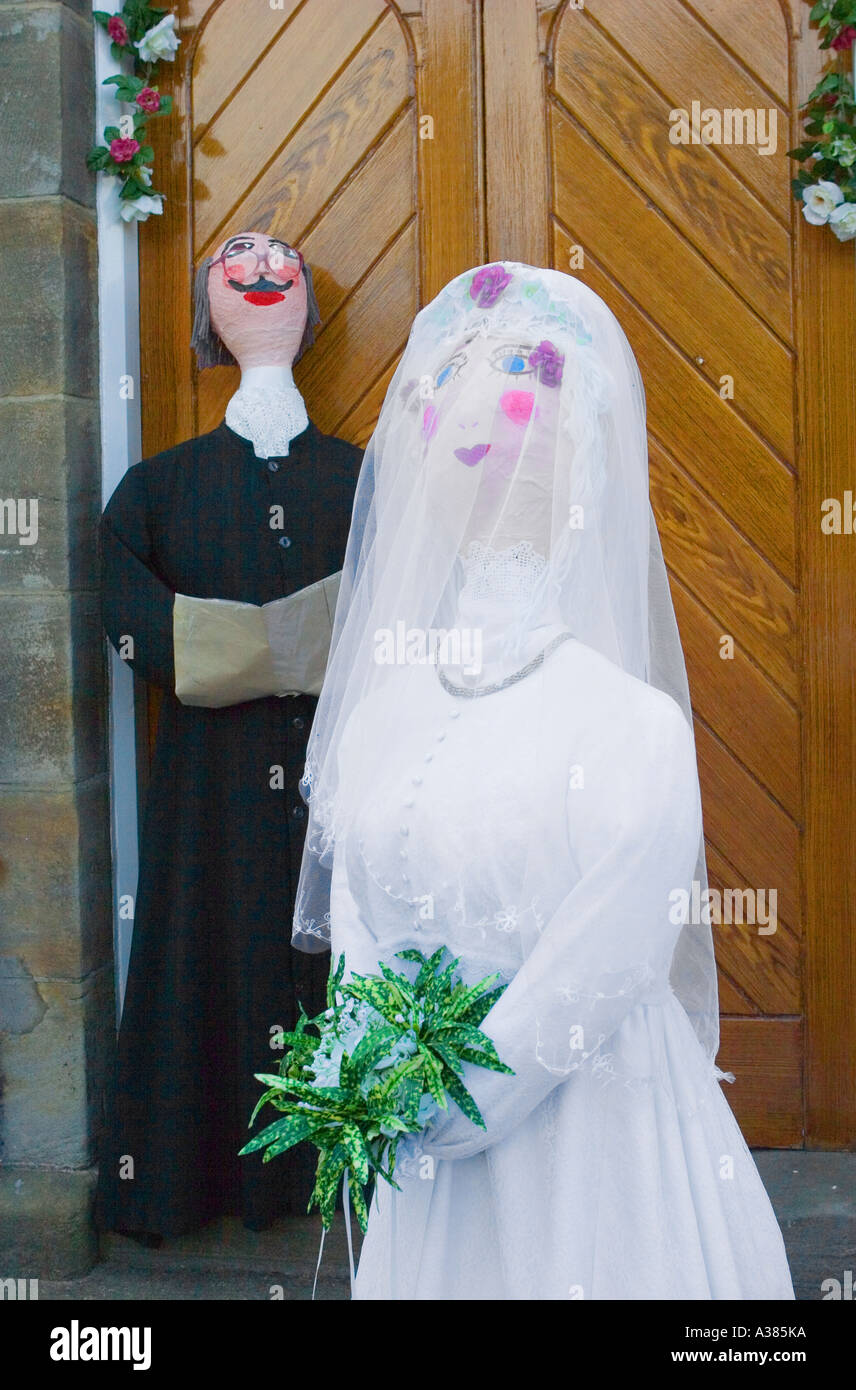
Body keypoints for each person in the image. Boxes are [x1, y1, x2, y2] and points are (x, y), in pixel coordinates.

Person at [291, 262, 795, 1299]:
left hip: (591, 1150)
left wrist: (470, 1089)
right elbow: (356, 908)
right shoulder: (383, 713)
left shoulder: (629, 724)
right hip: (427, 1163)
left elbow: (605, 952)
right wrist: (369, 1050)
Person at [96, 231, 361, 1240]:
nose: (261, 271)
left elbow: (403, 609)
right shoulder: (157, 490)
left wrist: (281, 646)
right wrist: (277, 644)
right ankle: (200, 1172)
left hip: (340, 771)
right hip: (206, 791)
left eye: (280, 259)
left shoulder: (364, 481)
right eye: (235, 262)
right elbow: (124, 611)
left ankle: (344, 1162)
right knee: (210, 950)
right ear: (212, 311)